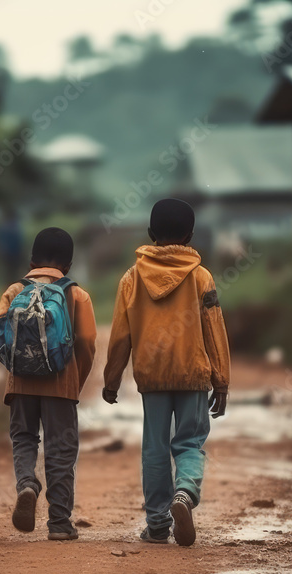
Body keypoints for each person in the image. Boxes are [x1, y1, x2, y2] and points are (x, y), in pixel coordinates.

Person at [102, 199, 230, 547]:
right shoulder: (201, 277)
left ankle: (157, 525)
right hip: (192, 374)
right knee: (189, 442)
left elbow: (121, 336)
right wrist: (221, 380)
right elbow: (214, 327)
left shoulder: (131, 278)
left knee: (155, 449)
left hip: (152, 375)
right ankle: (184, 493)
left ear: (150, 234)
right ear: (190, 236)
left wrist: (112, 380)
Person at [0, 227, 97, 540]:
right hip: (61, 385)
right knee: (60, 449)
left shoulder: (15, 290)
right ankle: (59, 523)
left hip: (20, 384)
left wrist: (13, 363)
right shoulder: (76, 294)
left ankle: (27, 485)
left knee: (23, 438)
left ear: (31, 261)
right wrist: (76, 380)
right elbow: (87, 342)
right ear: (68, 265)